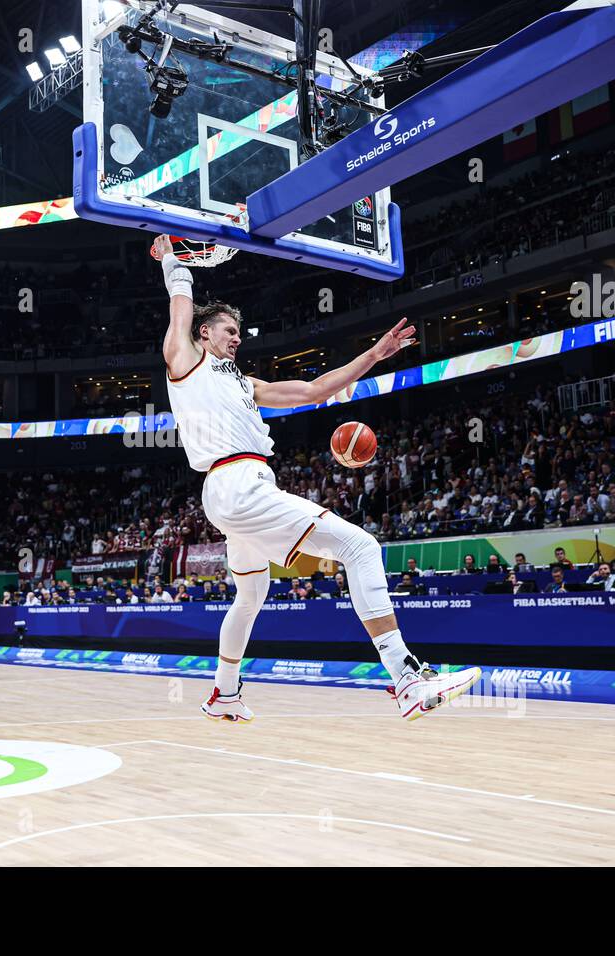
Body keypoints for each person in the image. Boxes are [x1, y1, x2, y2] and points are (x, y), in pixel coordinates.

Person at [155, 235, 478, 722]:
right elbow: (181, 307)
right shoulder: (186, 361)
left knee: (250, 595)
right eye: (227, 329)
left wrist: (374, 354)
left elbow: (312, 390)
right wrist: (173, 262)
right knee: (361, 548)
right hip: (238, 484)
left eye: (239, 330)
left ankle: (224, 694)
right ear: (203, 334)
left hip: (232, 494)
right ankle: (408, 678)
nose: (237, 336)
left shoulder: (245, 384)